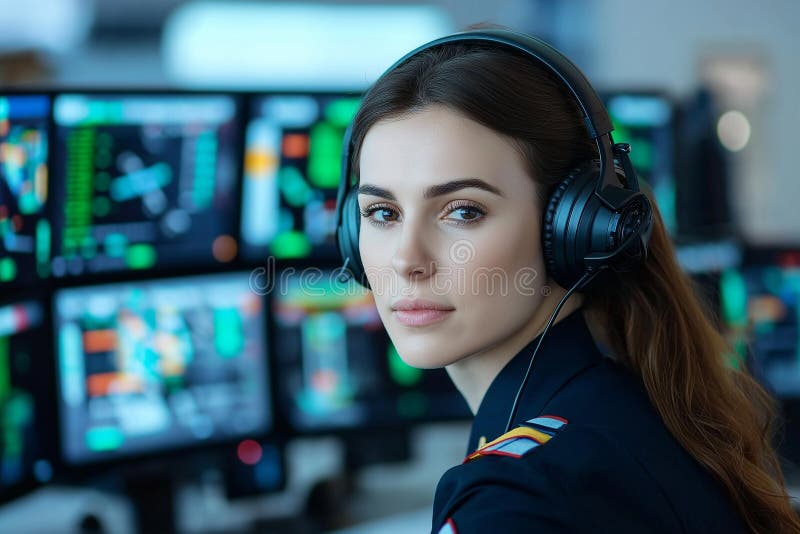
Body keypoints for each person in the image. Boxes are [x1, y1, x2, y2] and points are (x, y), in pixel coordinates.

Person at [334, 28, 800, 533]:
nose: (407, 260)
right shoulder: (634, 416)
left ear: (574, 229)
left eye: (463, 211)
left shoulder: (517, 499)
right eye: (382, 213)